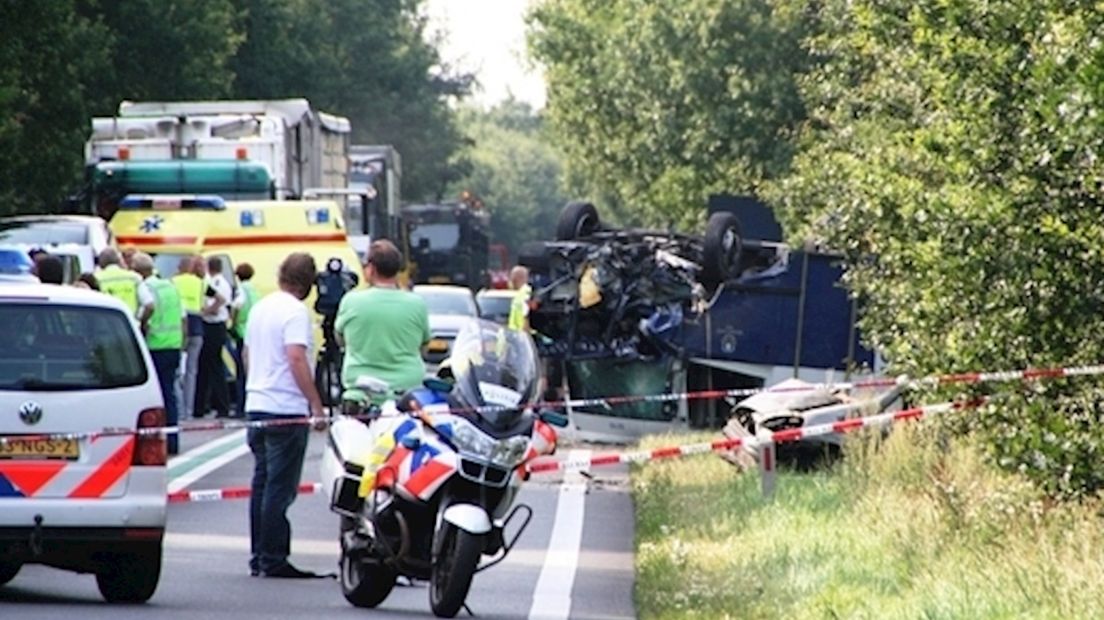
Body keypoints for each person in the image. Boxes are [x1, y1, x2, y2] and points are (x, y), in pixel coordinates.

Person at [242, 252, 326, 578]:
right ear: (307, 284)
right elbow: (296, 358)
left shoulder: (261, 308)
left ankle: (258, 555)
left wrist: (255, 387)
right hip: (285, 409)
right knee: (280, 487)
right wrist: (315, 405)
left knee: (261, 483)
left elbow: (248, 353)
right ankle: (274, 557)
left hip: (258, 404)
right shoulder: (295, 312)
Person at [335, 239, 431, 406]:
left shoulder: (351, 301)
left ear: (371, 269)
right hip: (407, 391)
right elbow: (423, 346)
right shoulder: (416, 304)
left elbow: (341, 340)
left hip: (361, 392)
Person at [132, 252, 186, 455]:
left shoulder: (146, 287)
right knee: (169, 395)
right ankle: (172, 440)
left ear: (139, 271)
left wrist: (142, 324)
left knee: (153, 398)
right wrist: (183, 342)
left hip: (154, 346)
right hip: (173, 345)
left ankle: (154, 441)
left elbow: (148, 308)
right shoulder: (171, 286)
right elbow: (182, 318)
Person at [196, 256, 232, 418]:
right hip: (216, 327)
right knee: (207, 366)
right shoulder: (221, 282)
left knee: (214, 367)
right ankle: (203, 405)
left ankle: (221, 406)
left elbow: (218, 304)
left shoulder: (214, 283)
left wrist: (205, 311)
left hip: (213, 326)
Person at [172, 256, 204, 419]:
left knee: (177, 372)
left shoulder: (174, 281)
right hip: (197, 325)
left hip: (181, 326)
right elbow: (215, 299)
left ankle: (179, 410)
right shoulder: (200, 282)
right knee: (192, 372)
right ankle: (189, 411)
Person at [230, 262, 259, 411]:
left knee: (241, 372)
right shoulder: (253, 290)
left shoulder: (241, 290)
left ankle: (241, 407)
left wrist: (232, 323)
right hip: (254, 333)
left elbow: (237, 306)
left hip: (242, 332)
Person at [96, 248, 142, 315]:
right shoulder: (134, 277)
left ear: (100, 264)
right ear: (119, 261)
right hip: (129, 321)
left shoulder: (95, 278)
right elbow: (148, 304)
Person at [507, 265, 532, 332]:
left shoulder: (525, 293)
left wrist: (525, 336)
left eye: (512, 276)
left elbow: (526, 317)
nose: (510, 279)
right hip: (516, 335)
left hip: (521, 336)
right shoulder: (519, 294)